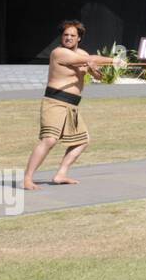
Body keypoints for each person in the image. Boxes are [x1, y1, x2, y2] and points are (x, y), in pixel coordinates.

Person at [22, 20, 119, 191]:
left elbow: (98, 76)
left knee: (82, 141)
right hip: (55, 102)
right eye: (65, 35)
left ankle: (61, 174)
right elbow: (90, 59)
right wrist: (113, 61)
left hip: (72, 105)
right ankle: (28, 178)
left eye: (72, 35)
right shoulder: (59, 53)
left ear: (79, 38)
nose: (68, 38)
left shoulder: (81, 54)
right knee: (49, 140)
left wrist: (95, 70)